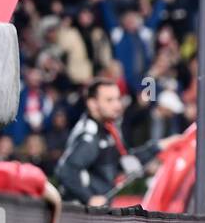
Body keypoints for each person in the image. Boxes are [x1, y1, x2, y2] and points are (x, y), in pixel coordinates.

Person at [55, 77, 176, 207]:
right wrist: (89, 198)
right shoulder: (90, 135)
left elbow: (125, 162)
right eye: (109, 100)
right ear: (92, 104)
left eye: (118, 99)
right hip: (83, 216)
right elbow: (66, 171)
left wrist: (159, 146)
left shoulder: (107, 130)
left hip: (95, 214)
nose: (117, 105)